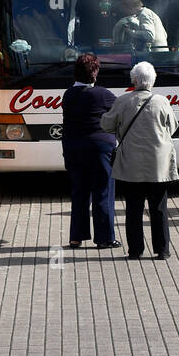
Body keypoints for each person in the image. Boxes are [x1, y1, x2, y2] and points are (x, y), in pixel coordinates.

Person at [101, 61, 177, 259]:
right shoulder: (162, 101)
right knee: (159, 207)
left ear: (134, 80)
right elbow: (173, 126)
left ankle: (135, 250)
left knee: (134, 208)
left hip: (131, 163)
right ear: (152, 81)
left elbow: (106, 124)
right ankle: (162, 250)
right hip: (158, 163)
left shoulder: (123, 100)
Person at [61, 53, 119, 248]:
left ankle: (76, 237)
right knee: (103, 191)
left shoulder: (68, 94)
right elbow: (118, 113)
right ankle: (104, 238)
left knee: (79, 192)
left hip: (74, 148)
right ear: (94, 74)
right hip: (99, 149)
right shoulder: (103, 94)